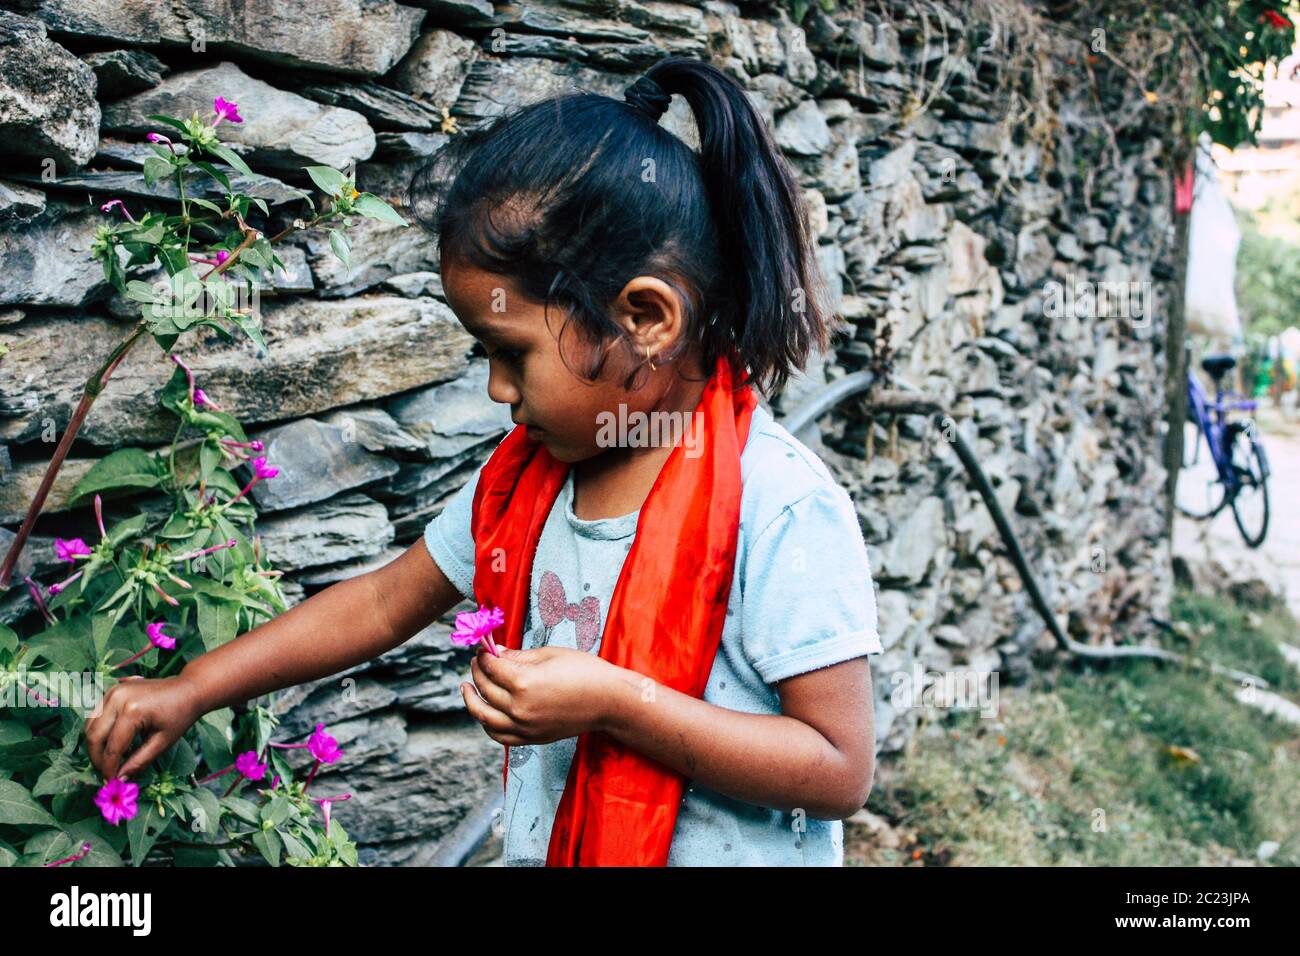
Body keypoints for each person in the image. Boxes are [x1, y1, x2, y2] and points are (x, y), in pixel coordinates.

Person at [86, 56, 883, 867]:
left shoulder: (778, 508)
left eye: (511, 352)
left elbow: (838, 767)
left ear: (646, 316)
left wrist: (619, 703)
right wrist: (191, 688)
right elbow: (384, 602)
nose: (500, 390)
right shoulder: (525, 484)